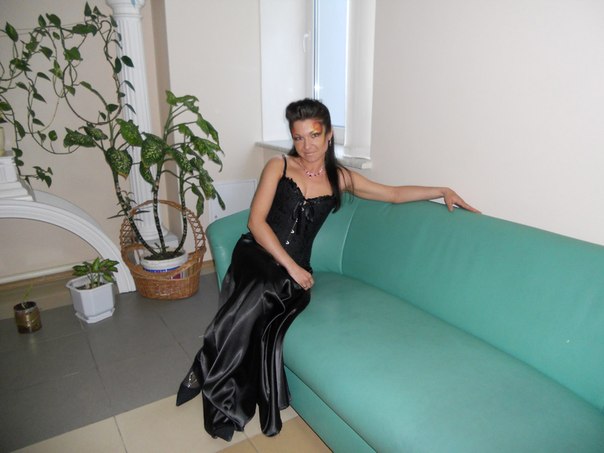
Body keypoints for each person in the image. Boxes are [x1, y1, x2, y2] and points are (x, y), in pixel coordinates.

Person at [176, 98, 479, 441]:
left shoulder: (341, 178)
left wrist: (441, 190)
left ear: (330, 134)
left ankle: (206, 366)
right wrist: (292, 268)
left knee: (261, 299)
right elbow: (256, 222)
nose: (307, 145)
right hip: (258, 252)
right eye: (299, 137)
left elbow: (392, 193)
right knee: (261, 288)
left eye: (314, 135)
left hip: (293, 270)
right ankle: (218, 385)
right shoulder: (278, 165)